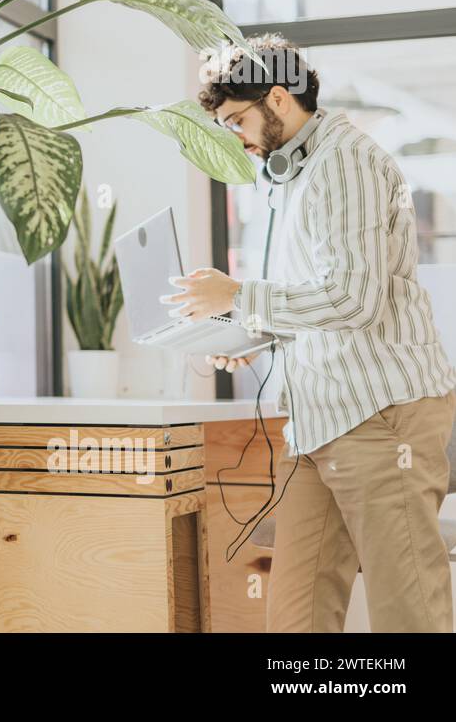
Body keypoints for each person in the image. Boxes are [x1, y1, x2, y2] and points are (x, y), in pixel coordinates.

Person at [163, 33, 456, 632]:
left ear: (278, 98)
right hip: (318, 421)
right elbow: (313, 299)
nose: (235, 137)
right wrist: (247, 333)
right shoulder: (286, 176)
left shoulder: (344, 161)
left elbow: (355, 298)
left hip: (381, 415)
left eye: (238, 119)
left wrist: (242, 298)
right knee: (296, 619)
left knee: (409, 613)